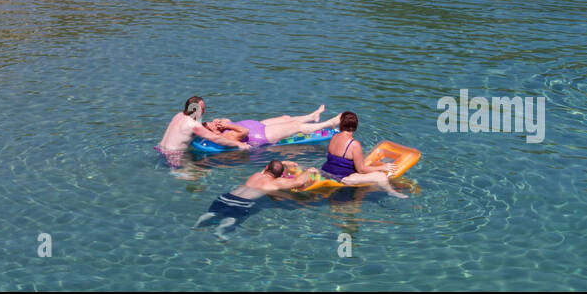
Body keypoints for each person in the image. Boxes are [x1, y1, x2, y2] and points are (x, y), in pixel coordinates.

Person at [195, 160, 314, 233]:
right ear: (279, 175)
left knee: (212, 212)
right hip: (243, 202)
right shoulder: (275, 182)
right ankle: (220, 231)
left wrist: (283, 163)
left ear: (266, 168)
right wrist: (308, 171)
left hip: (226, 196)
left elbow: (270, 167)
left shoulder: (257, 174)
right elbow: (298, 182)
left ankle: (196, 224)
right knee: (231, 218)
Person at [317, 111, 407, 197]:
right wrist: (382, 167)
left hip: (325, 172)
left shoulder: (334, 137)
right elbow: (361, 170)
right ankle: (391, 191)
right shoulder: (354, 144)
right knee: (381, 176)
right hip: (342, 179)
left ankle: (362, 193)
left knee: (369, 181)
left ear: (341, 124)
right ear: (355, 126)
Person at [201, 107, 340, 147]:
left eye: (211, 122)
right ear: (211, 132)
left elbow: (227, 120)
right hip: (261, 135)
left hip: (259, 125)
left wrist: (221, 122)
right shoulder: (225, 135)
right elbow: (244, 131)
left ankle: (312, 117)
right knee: (295, 126)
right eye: (211, 126)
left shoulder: (221, 128)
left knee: (285, 118)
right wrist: (225, 125)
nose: (214, 124)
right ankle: (330, 123)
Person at [157, 97, 251, 154]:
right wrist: (238, 144)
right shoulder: (194, 125)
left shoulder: (179, 115)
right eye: (202, 109)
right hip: (174, 155)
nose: (204, 111)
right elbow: (216, 139)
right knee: (196, 175)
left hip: (160, 148)